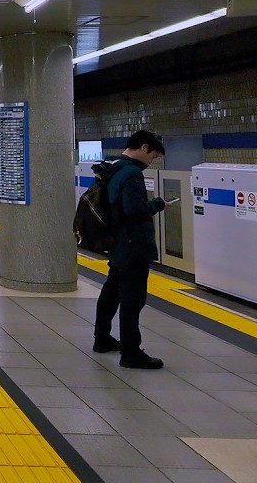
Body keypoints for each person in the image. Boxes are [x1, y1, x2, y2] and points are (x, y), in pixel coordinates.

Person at [92, 130, 173, 370]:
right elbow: (134, 209)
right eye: (153, 156)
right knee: (132, 299)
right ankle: (131, 352)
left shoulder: (112, 167)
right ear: (144, 148)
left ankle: (102, 338)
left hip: (116, 242)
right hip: (132, 245)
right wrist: (158, 204)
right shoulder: (132, 173)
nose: (152, 161)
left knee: (111, 292)